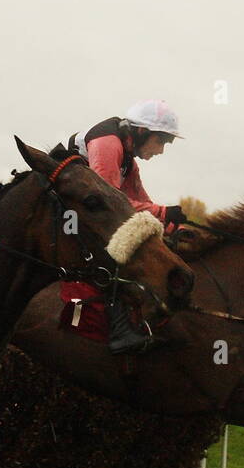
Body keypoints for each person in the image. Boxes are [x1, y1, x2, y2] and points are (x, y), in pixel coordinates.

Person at [66, 100, 185, 354]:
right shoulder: (108, 144)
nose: (161, 150)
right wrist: (162, 213)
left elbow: (141, 203)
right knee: (120, 254)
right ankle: (120, 331)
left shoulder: (128, 159)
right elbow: (110, 201)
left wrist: (169, 224)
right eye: (161, 141)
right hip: (66, 212)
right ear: (142, 132)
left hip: (85, 208)